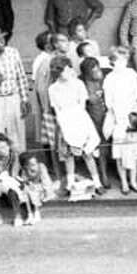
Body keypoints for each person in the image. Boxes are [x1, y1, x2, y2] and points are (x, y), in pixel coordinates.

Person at [47, 55, 103, 192]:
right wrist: (64, 127)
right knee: (68, 156)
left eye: (68, 69)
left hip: (80, 120)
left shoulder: (78, 84)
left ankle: (97, 183)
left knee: (88, 154)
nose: (68, 72)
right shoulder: (53, 89)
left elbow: (82, 105)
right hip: (64, 123)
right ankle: (70, 184)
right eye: (64, 71)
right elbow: (57, 110)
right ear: (57, 72)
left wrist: (79, 124)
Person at [103, 46, 137, 194]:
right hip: (117, 116)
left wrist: (129, 111)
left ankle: (133, 180)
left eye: (125, 60)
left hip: (131, 114)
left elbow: (136, 94)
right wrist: (119, 116)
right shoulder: (109, 78)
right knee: (119, 151)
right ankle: (124, 182)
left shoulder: (131, 74)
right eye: (119, 60)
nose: (122, 63)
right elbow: (108, 102)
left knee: (133, 150)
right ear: (113, 61)